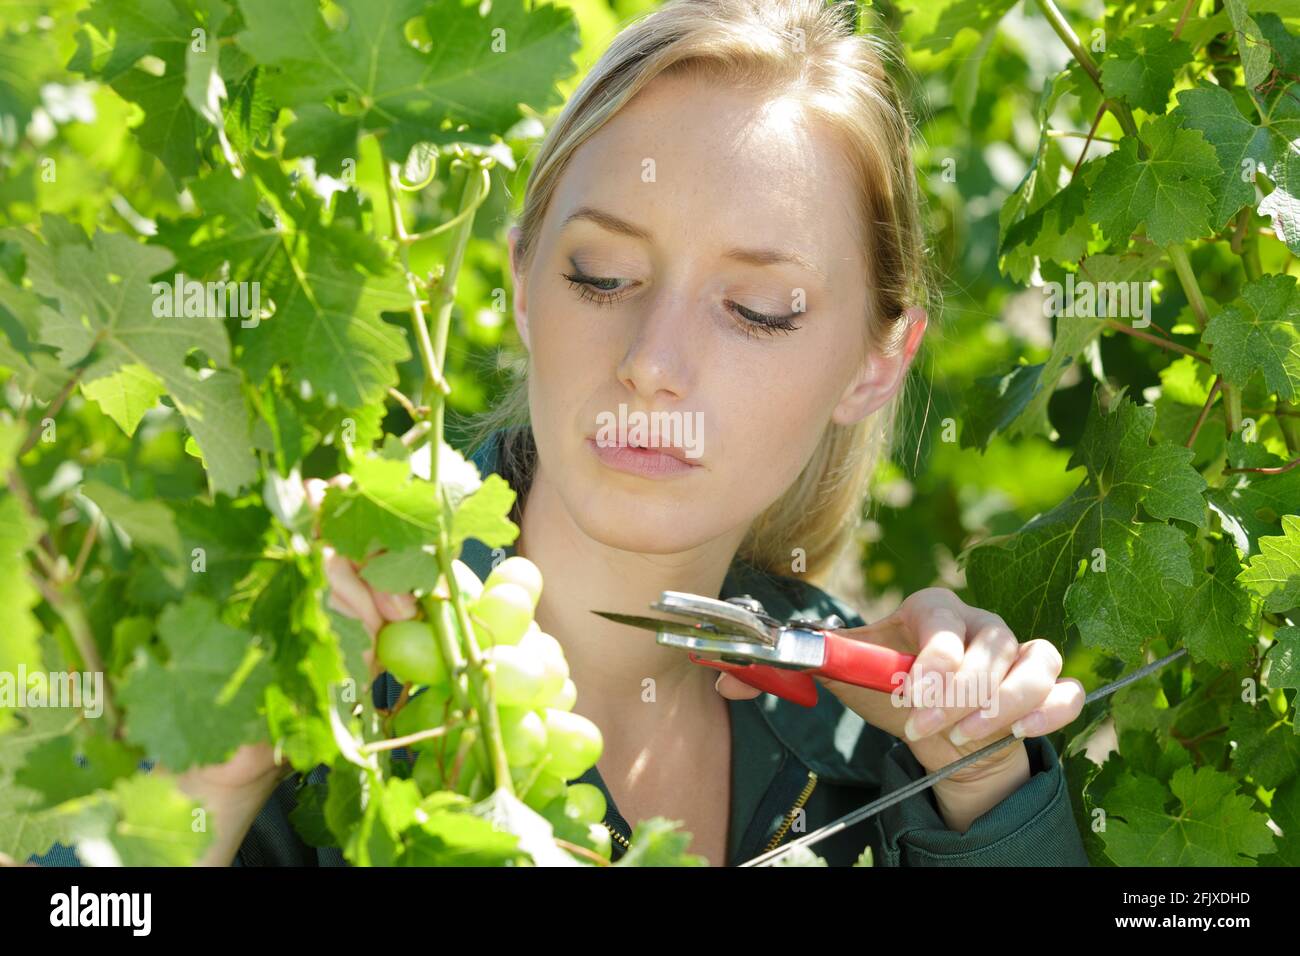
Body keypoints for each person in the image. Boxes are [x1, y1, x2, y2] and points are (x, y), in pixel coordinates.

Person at [31, 0, 1090, 868]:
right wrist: (201, 798)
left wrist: (984, 794)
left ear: (876, 362)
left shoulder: (868, 746)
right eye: (602, 276)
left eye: (758, 305)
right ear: (525, 287)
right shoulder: (324, 653)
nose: (652, 358)